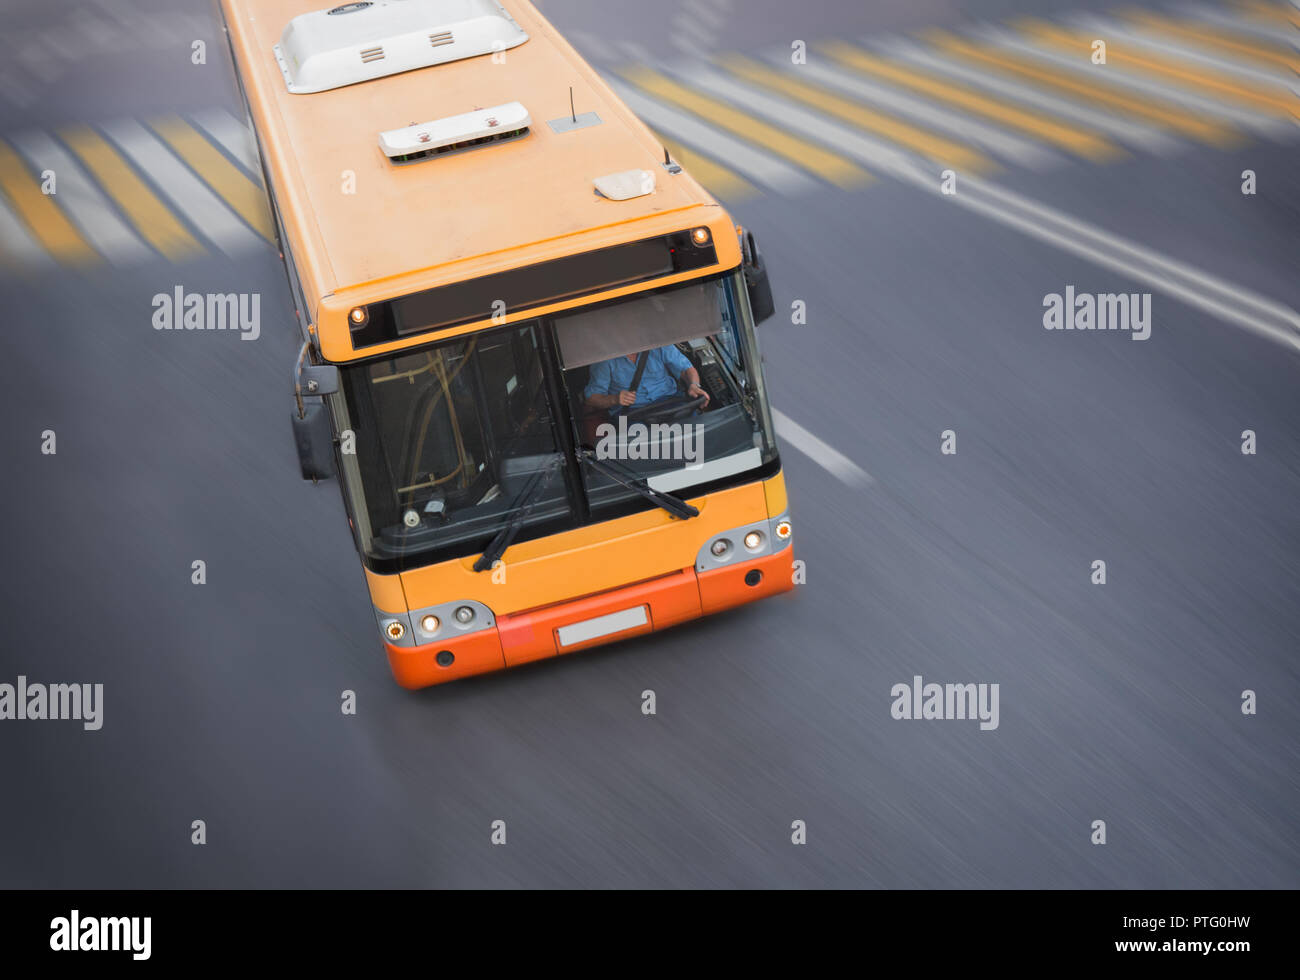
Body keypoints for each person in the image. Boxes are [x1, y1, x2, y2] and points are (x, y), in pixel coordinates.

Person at [584, 344, 710, 415]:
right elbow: (591, 399)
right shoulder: (604, 360)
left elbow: (685, 369)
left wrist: (694, 385)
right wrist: (615, 399)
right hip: (633, 413)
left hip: (672, 402)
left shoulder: (658, 344)